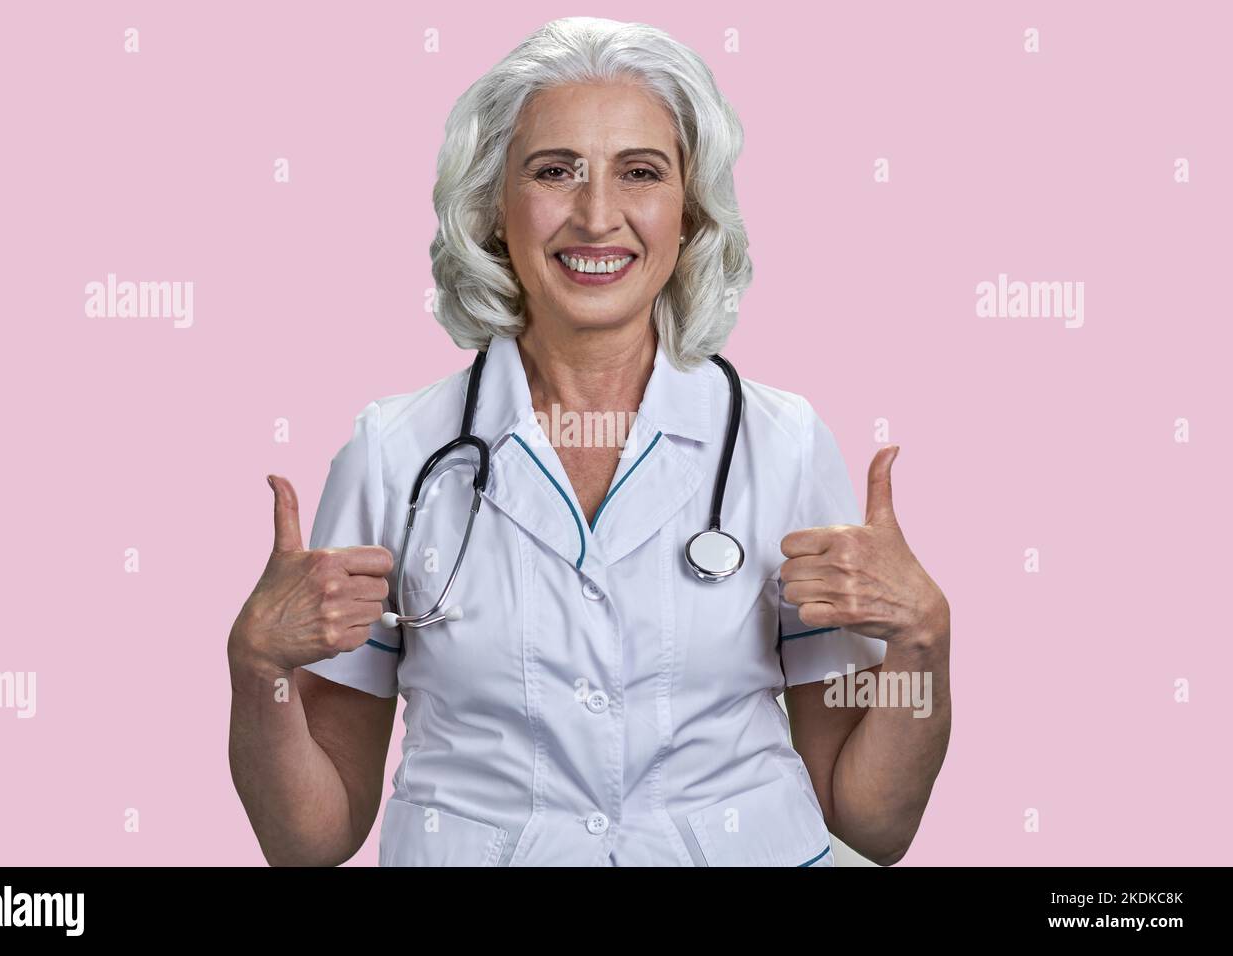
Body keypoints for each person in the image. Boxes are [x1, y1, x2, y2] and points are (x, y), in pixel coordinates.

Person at [228, 16, 951, 867]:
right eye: (553, 171)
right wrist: (257, 664)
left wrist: (923, 639)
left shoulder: (782, 443)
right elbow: (308, 840)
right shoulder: (394, 455)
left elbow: (869, 822)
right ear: (495, 209)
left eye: (640, 173)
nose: (598, 215)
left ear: (689, 213)